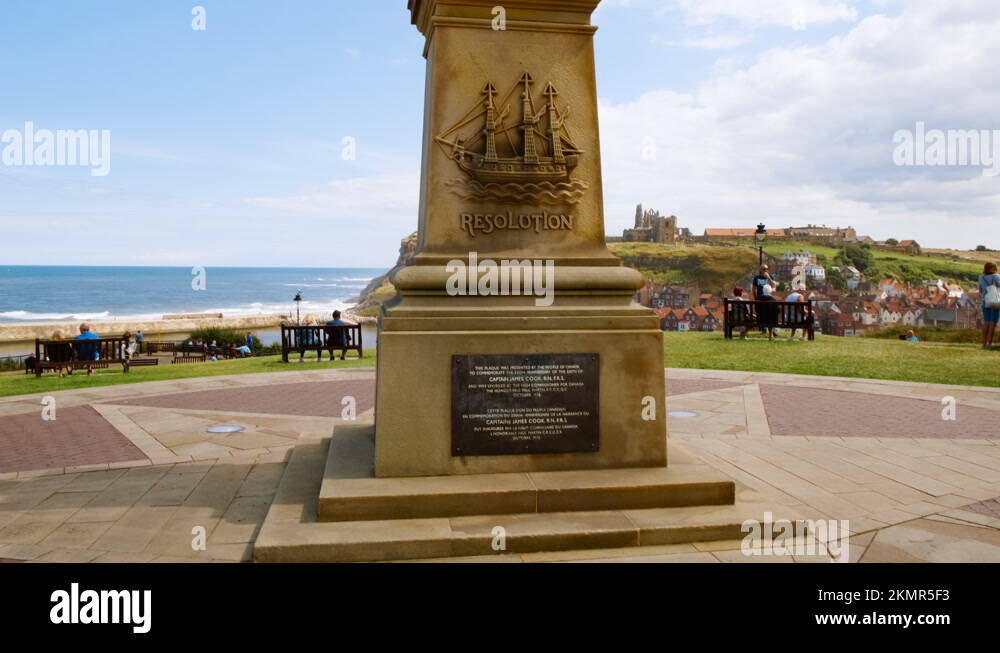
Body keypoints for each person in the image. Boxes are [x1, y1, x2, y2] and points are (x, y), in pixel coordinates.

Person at [979, 262, 1000, 349]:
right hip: (995, 300)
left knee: (986, 322)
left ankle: (984, 343)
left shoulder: (981, 277)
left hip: (985, 301)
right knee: (993, 322)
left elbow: (980, 289)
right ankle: (989, 343)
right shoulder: (996, 276)